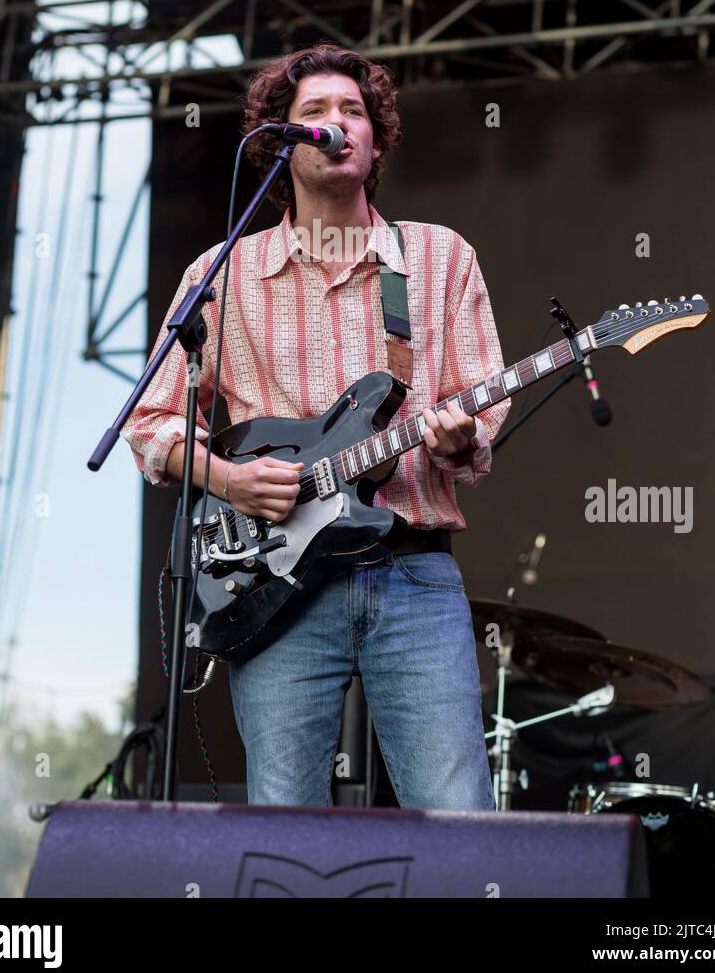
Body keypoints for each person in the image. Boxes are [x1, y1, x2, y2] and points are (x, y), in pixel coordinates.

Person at [122, 42, 510, 808]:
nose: (338, 123)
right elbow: (149, 420)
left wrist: (464, 437)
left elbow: (479, 403)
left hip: (413, 572)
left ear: (376, 138)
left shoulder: (437, 259)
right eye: (316, 113)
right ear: (280, 140)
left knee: (461, 816)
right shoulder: (220, 275)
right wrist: (226, 477)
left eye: (354, 111)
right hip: (272, 583)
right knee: (284, 823)